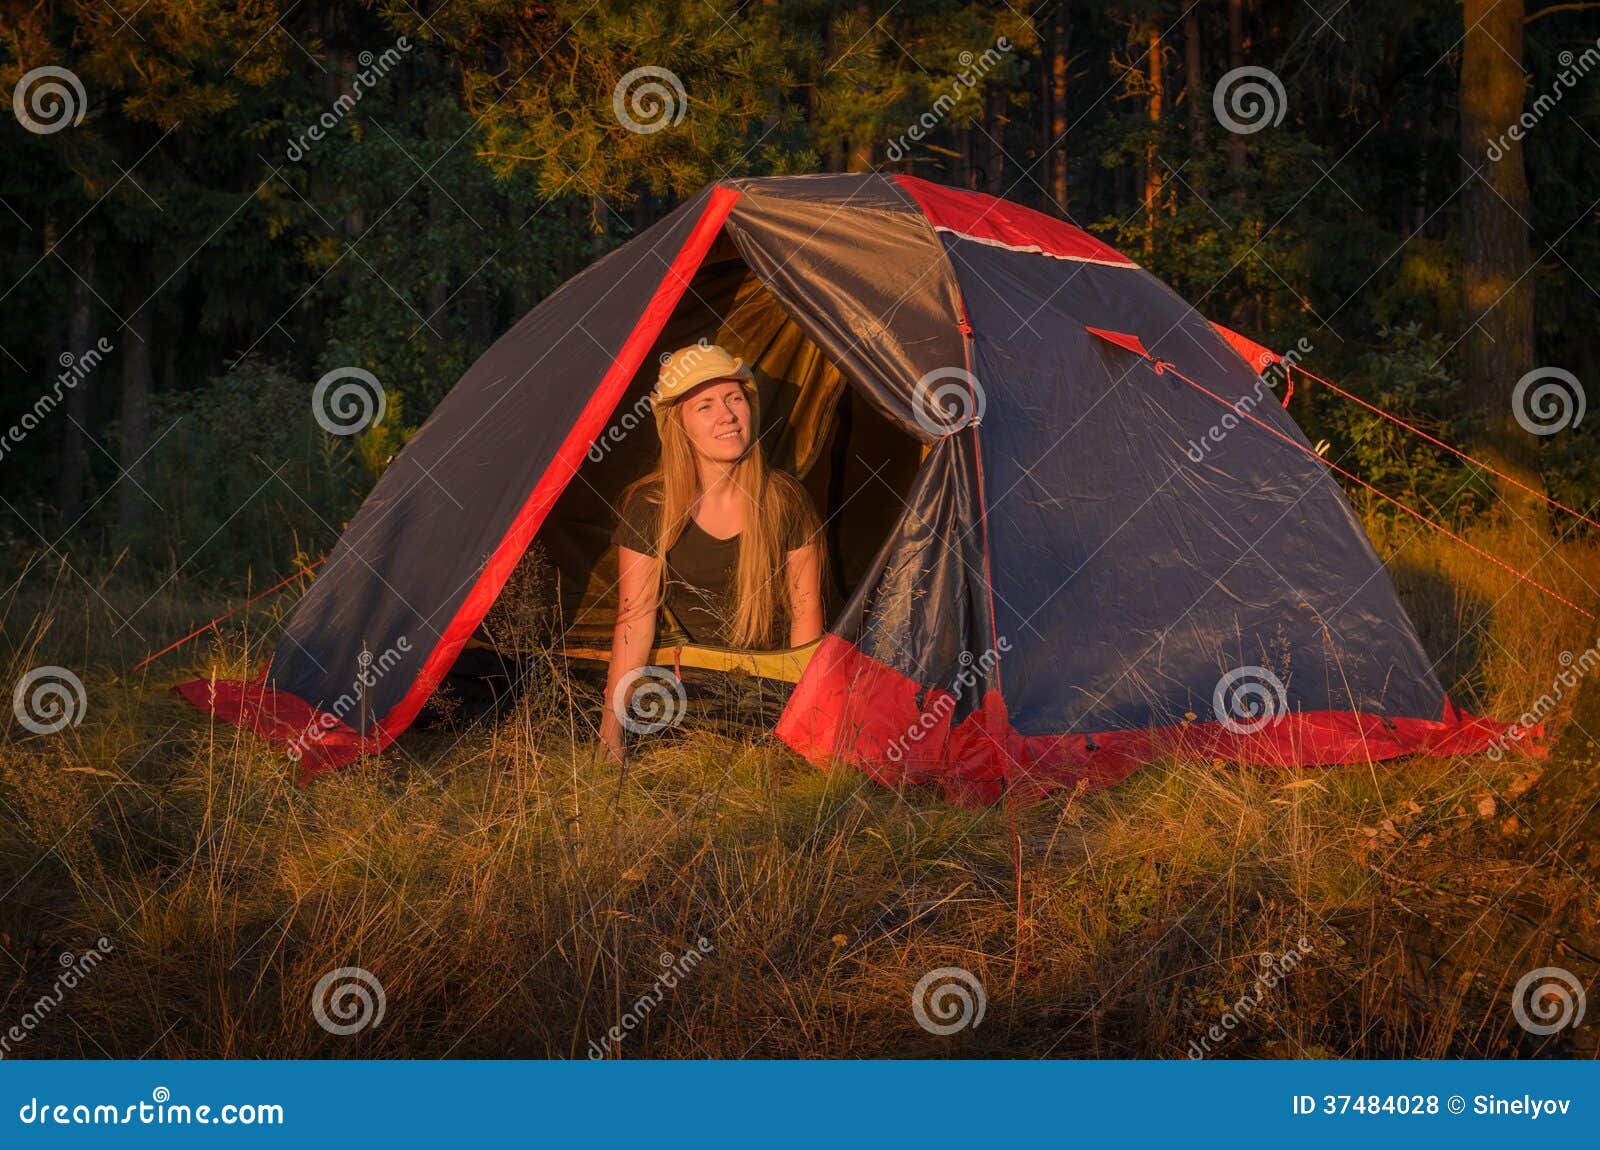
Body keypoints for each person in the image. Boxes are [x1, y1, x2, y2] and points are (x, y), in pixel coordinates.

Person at [599, 344, 825, 763]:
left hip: (773, 688)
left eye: (734, 398)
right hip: (697, 688)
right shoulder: (650, 507)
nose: (727, 415)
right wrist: (610, 737)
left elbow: (805, 617)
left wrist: (808, 726)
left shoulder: (787, 501)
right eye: (705, 405)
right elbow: (633, 622)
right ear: (679, 426)